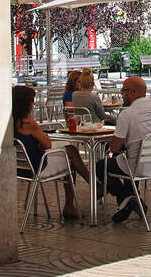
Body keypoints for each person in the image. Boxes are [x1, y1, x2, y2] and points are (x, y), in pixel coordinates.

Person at [13, 84, 94, 221]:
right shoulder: (28, 123)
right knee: (70, 156)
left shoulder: (11, 123)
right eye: (32, 101)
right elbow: (47, 144)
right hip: (38, 166)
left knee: (69, 154)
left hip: (20, 169)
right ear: (26, 103)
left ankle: (91, 185)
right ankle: (75, 200)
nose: (33, 104)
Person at [103, 76, 151, 222]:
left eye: (123, 91)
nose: (121, 94)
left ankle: (127, 200)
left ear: (132, 92)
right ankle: (131, 200)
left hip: (137, 167)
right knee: (130, 158)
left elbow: (114, 148)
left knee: (100, 166)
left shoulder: (127, 114)